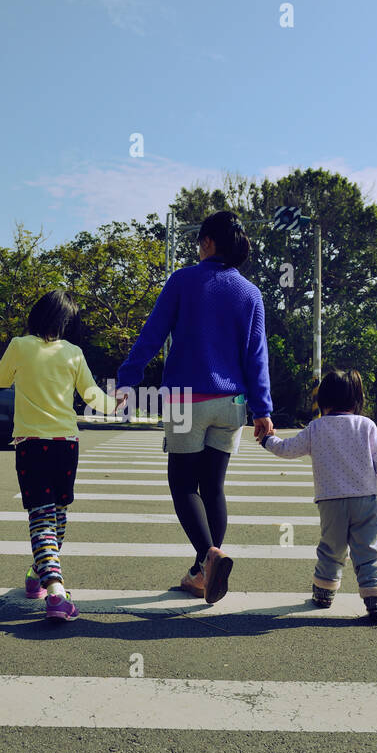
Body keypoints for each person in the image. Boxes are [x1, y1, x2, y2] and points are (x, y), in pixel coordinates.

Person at [116, 211, 273, 604]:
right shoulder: (251, 294)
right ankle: (202, 573)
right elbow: (257, 357)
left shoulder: (183, 280)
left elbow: (152, 333)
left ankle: (209, 558)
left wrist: (128, 379)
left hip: (187, 398)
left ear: (208, 243)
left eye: (199, 240)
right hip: (231, 403)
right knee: (213, 487)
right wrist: (262, 409)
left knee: (183, 484)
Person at [0, 291, 120, 621]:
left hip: (31, 444)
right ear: (66, 322)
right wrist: (114, 404)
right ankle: (39, 577)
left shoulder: (20, 346)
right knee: (57, 515)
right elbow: (91, 394)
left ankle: (55, 592)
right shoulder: (74, 353)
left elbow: (0, 379)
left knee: (41, 515)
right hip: (67, 444)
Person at [259, 369, 377, 621]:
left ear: (323, 398)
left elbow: (288, 449)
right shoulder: (366, 425)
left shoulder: (316, 428)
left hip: (331, 502)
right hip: (366, 500)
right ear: (356, 398)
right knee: (369, 549)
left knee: (332, 548)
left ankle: (324, 592)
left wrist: (267, 440)